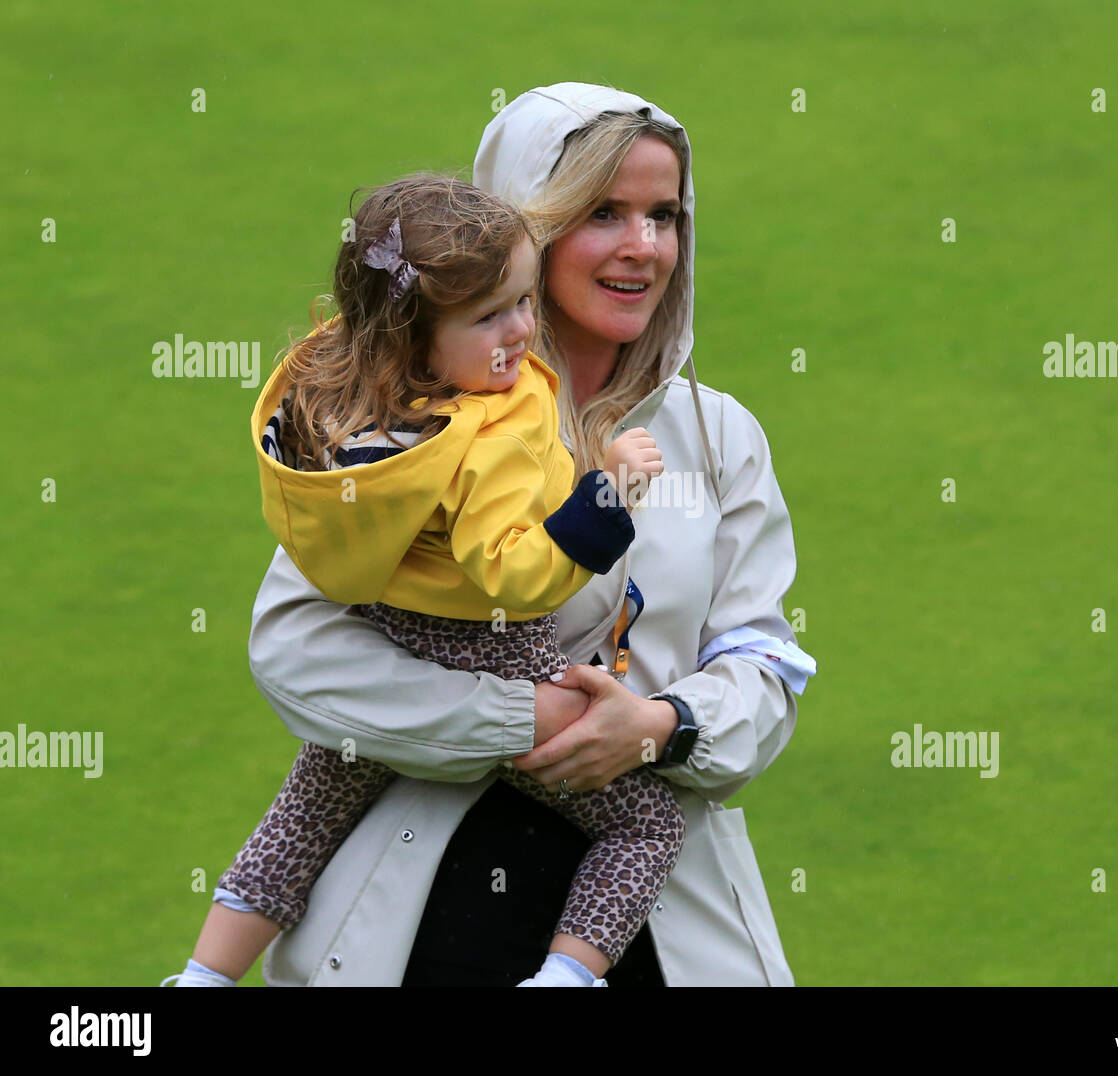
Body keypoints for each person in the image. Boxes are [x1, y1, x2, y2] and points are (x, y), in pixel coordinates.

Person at [247, 83, 817, 987]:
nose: (645, 247)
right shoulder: (404, 416)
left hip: (663, 935)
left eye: (664, 215)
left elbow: (767, 667)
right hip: (421, 932)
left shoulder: (721, 436)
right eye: (604, 213)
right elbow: (297, 649)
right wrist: (528, 721)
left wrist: (660, 728)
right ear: (521, 229)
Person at [164, 174, 685, 989]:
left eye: (522, 301)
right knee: (645, 827)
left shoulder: (352, 397)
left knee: (306, 812)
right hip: (497, 652)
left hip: (385, 629)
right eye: (491, 316)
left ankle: (201, 976)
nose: (521, 332)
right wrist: (606, 495)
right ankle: (567, 976)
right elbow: (519, 577)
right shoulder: (493, 426)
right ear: (412, 335)